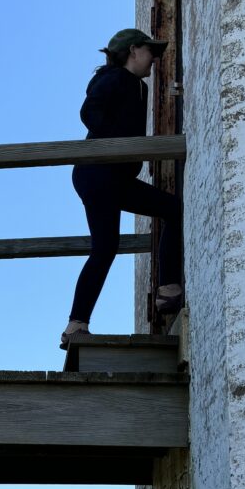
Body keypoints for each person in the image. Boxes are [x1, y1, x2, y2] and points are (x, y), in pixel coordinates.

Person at [61, 28, 183, 350]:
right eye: (150, 51)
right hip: (98, 173)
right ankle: (77, 323)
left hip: (113, 178)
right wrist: (115, 145)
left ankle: (167, 290)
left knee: (168, 212)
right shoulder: (114, 78)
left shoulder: (137, 87)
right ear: (133, 51)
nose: (155, 59)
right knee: (107, 246)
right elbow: (89, 112)